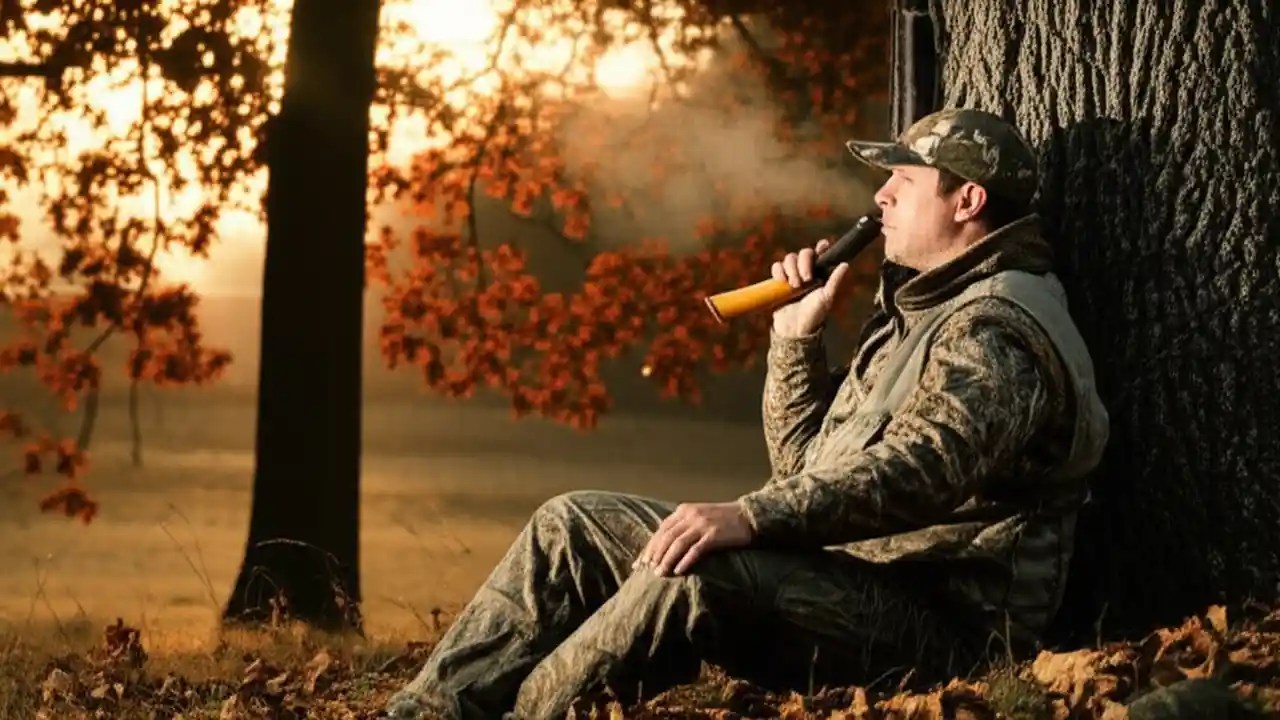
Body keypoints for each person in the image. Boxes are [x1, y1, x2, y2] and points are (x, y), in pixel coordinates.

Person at [382, 107, 1110, 720]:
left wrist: (749, 517)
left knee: (696, 573)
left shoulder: (999, 327)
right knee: (572, 525)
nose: (880, 197)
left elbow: (916, 475)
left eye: (903, 181)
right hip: (849, 580)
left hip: (940, 628)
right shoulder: (917, 312)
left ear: (967, 201)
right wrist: (796, 338)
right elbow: (805, 471)